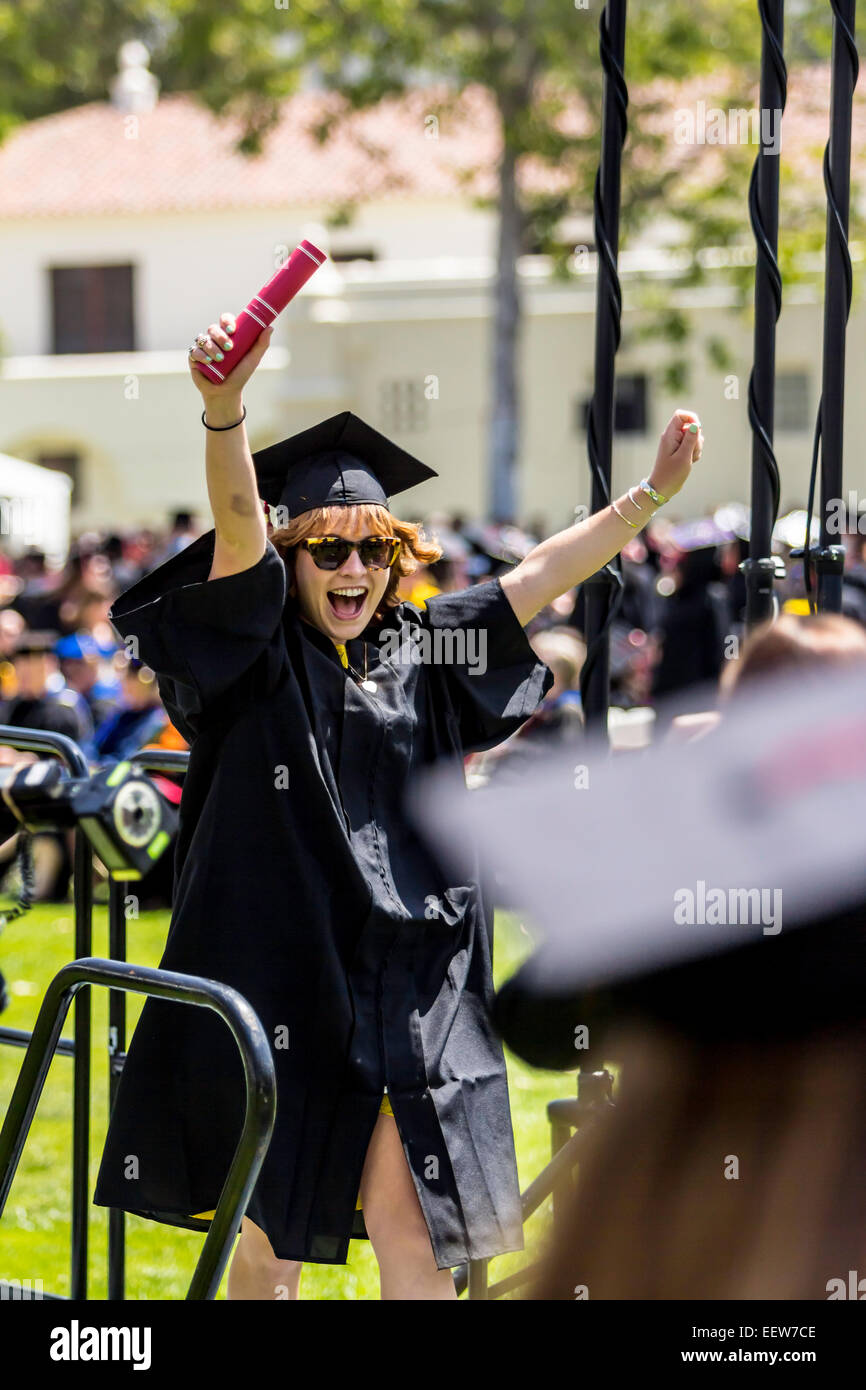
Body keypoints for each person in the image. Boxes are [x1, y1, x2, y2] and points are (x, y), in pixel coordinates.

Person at [92, 308, 703, 1301]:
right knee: (267, 1245)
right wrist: (224, 412)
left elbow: (535, 579)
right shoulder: (254, 655)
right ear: (291, 560)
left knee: (417, 1234)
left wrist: (644, 498)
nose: (352, 571)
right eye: (325, 551)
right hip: (283, 978)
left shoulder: (423, 648)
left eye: (372, 551)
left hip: (416, 982)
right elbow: (241, 530)